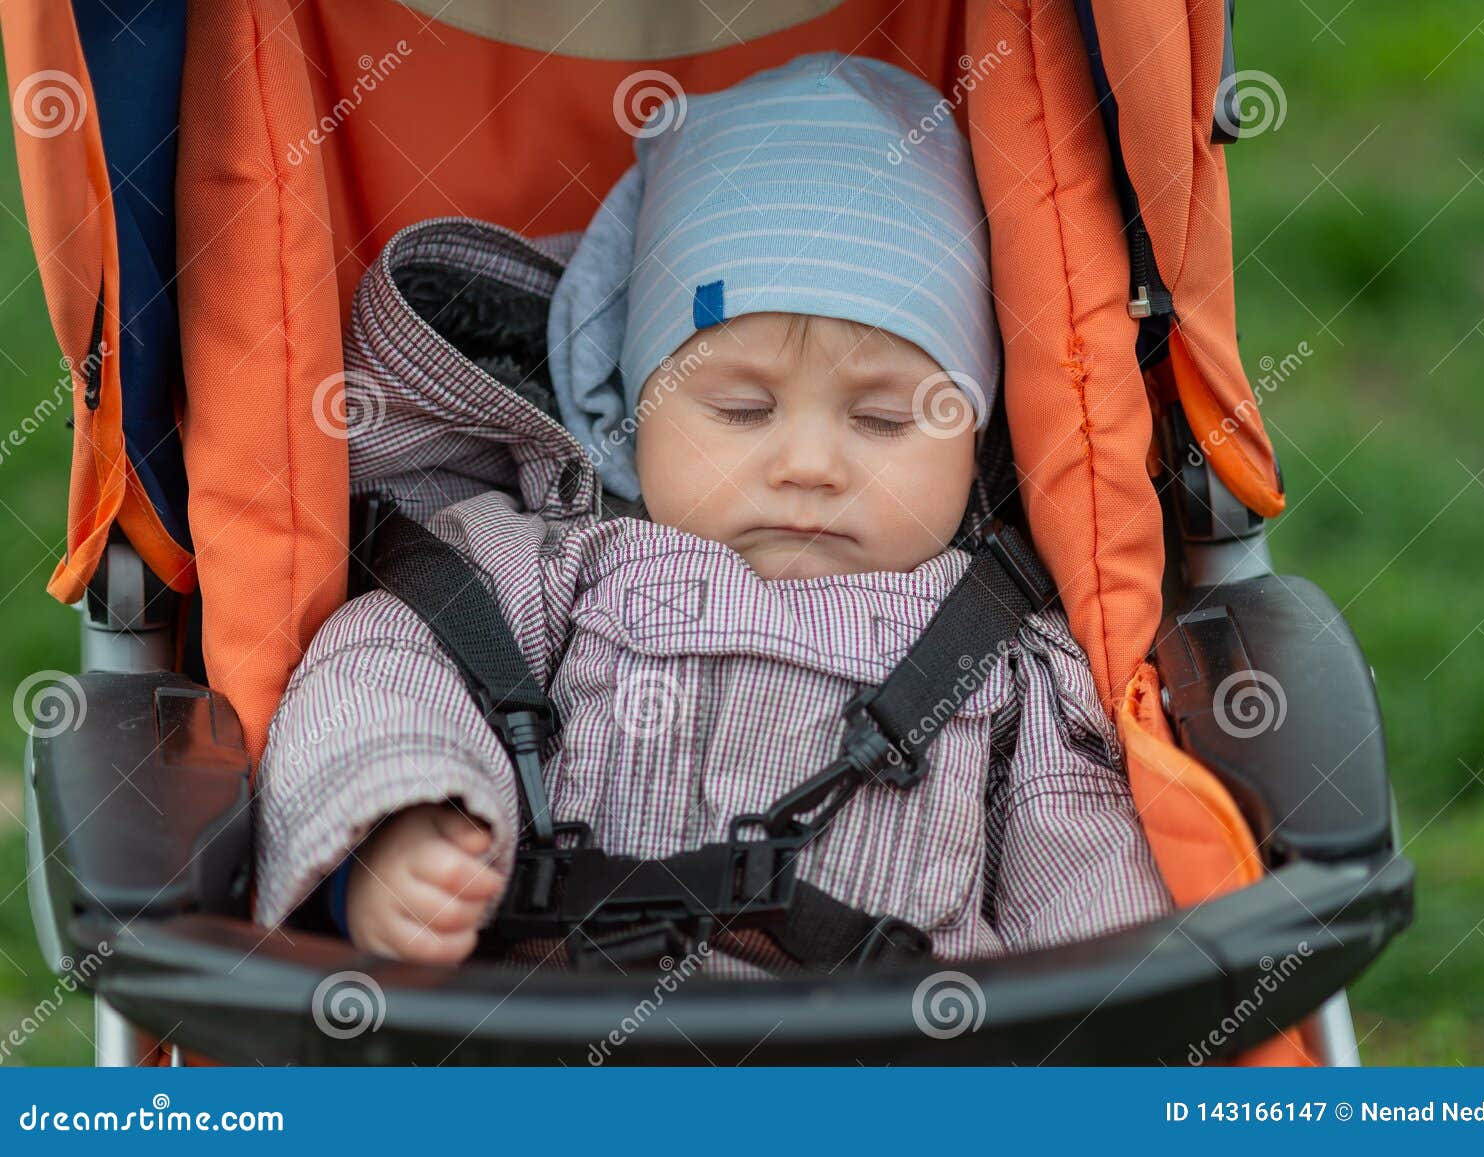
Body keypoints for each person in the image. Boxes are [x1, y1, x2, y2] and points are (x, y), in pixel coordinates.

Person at [254, 53, 1173, 974]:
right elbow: (378, 667)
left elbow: (1085, 871)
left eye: (884, 419)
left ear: (974, 440)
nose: (810, 465)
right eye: (742, 409)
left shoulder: (1005, 651)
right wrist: (400, 824)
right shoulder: (546, 567)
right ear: (629, 412)